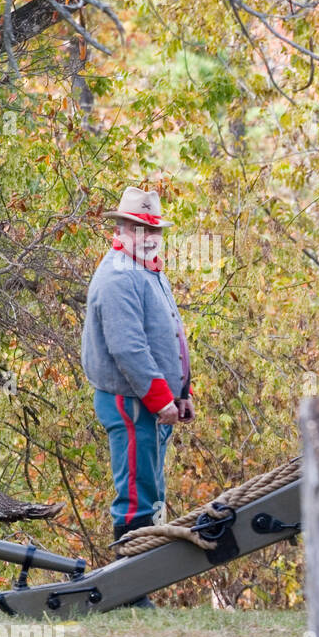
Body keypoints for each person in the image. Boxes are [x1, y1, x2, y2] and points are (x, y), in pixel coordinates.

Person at [82, 187, 193, 603]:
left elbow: (171, 337)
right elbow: (128, 348)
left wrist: (182, 392)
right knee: (134, 496)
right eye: (140, 228)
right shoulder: (117, 277)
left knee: (149, 490)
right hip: (129, 401)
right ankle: (129, 591)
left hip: (149, 399)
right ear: (122, 228)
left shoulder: (147, 270)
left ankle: (138, 586)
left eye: (154, 230)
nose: (149, 236)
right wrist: (161, 398)